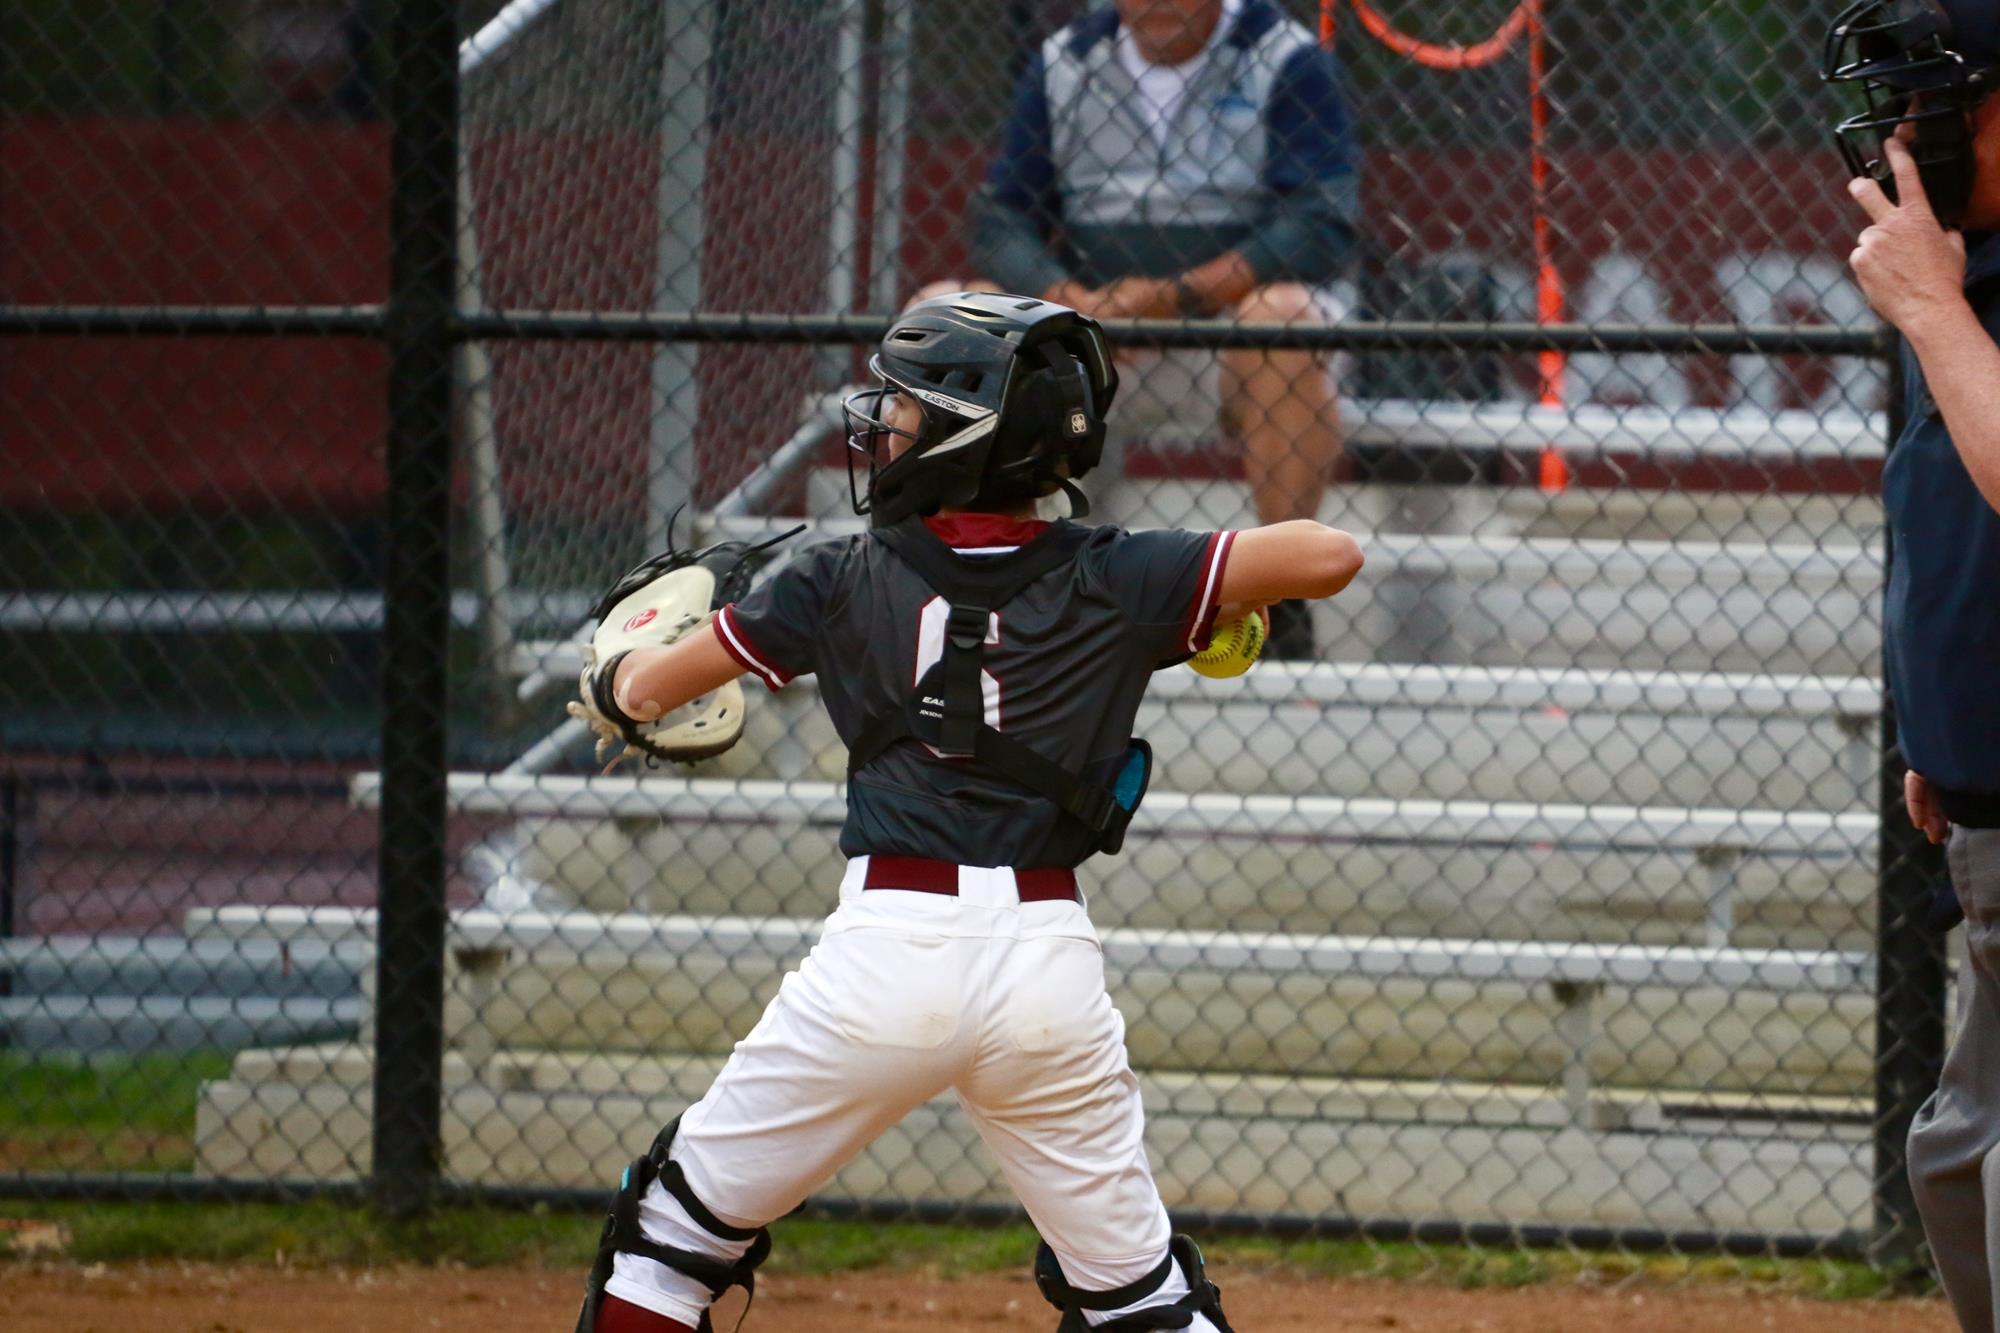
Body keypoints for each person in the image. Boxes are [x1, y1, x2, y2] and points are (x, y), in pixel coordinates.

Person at [570, 291, 1364, 1333]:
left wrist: (624, 672)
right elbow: (1329, 553)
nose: (884, 427)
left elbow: (643, 694)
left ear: (955, 437)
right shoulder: (1119, 571)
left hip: (883, 955)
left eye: (902, 411)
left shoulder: (832, 577)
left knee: (667, 1241)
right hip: (1047, 965)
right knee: (1140, 1299)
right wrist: (1205, 595)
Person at [913, 0, 1359, 659]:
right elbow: (1001, 217)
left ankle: (1282, 604)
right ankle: (965, 584)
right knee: (946, 311)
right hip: (1091, 331)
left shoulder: (1284, 56)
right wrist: (1069, 300)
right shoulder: (1067, 61)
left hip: (1231, 333)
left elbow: (1319, 223)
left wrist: (1172, 296)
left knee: (1284, 318)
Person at [1825, 2, 2000, 1327]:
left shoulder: (1948, 292)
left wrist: (1936, 309)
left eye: (1934, 103)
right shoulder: (1960, 270)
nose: (1899, 135)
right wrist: (1946, 734)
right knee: (1962, 1164)